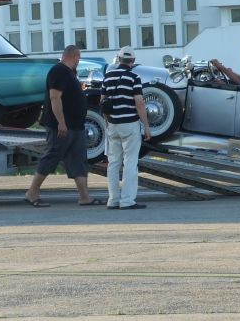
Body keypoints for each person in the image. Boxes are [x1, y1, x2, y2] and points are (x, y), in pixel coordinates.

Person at [25, 45, 100, 207]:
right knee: (52, 156)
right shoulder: (58, 71)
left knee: (78, 160)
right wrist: (61, 123)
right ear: (73, 56)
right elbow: (54, 97)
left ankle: (84, 196)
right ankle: (32, 192)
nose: (79, 61)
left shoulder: (70, 73)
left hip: (76, 126)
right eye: (78, 58)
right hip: (62, 126)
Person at [100, 46, 151, 210]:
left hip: (113, 125)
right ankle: (127, 200)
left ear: (119, 59)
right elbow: (140, 102)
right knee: (130, 162)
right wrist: (147, 126)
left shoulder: (107, 77)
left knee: (113, 163)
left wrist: (108, 121)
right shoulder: (134, 77)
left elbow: (103, 102)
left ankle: (113, 200)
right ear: (133, 61)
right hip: (129, 125)